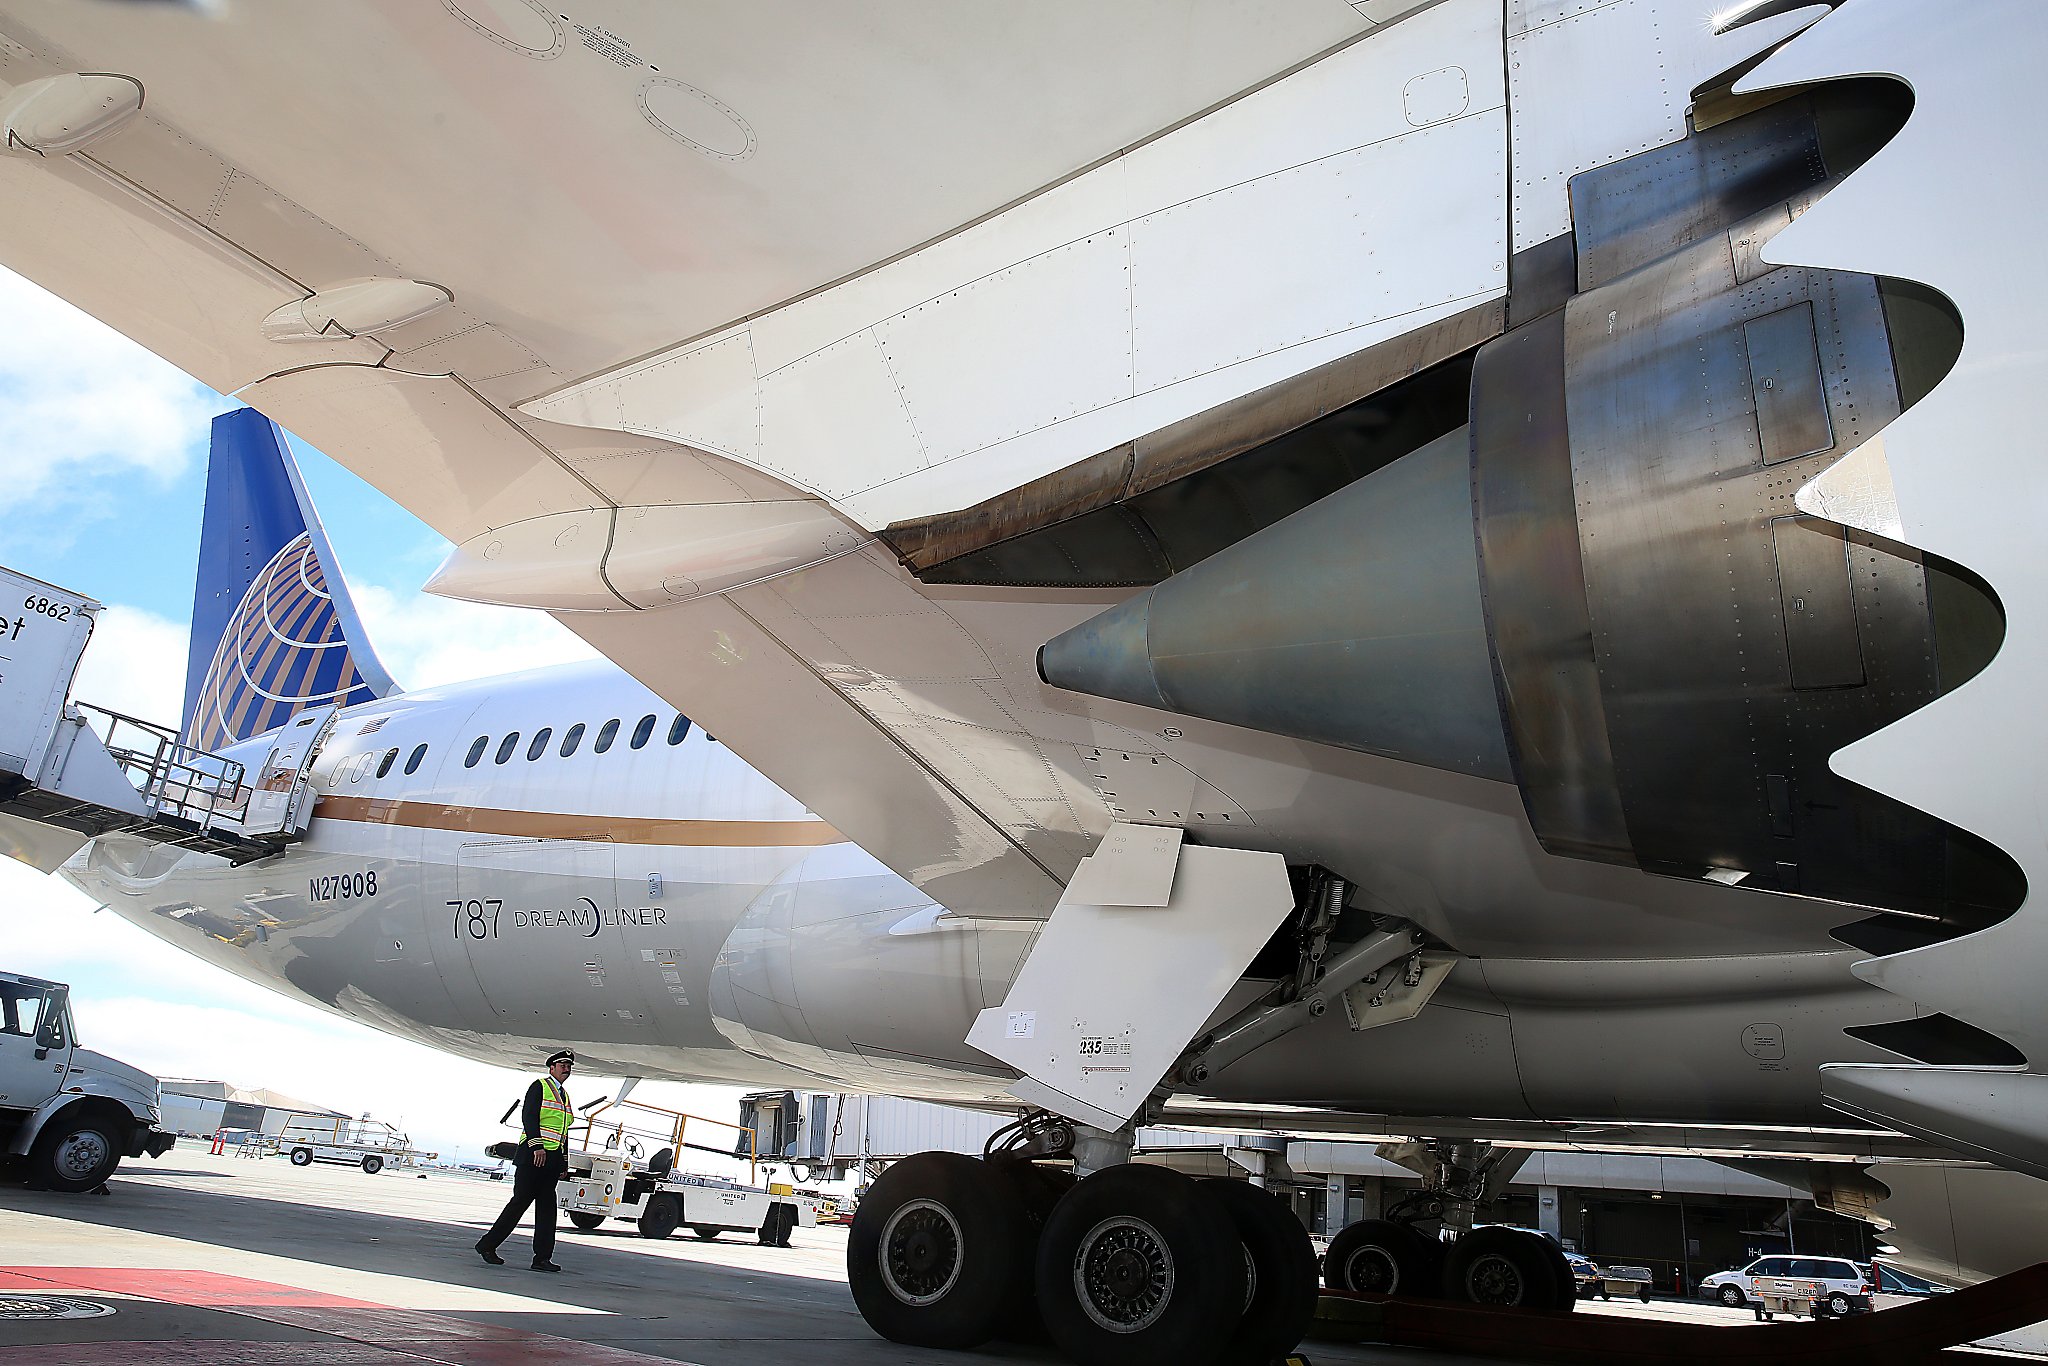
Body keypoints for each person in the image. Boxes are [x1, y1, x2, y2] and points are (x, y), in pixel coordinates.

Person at [475, 1048, 575, 1272]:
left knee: (547, 1209)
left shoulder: (565, 1096)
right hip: (532, 1156)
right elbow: (528, 1117)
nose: (566, 1069)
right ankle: (487, 1245)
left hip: (552, 1159)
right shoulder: (539, 1086)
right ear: (551, 1068)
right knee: (520, 1202)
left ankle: (542, 1258)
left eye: (569, 1066)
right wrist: (537, 1146)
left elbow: (563, 1131)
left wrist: (563, 1161)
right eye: (562, 1065)